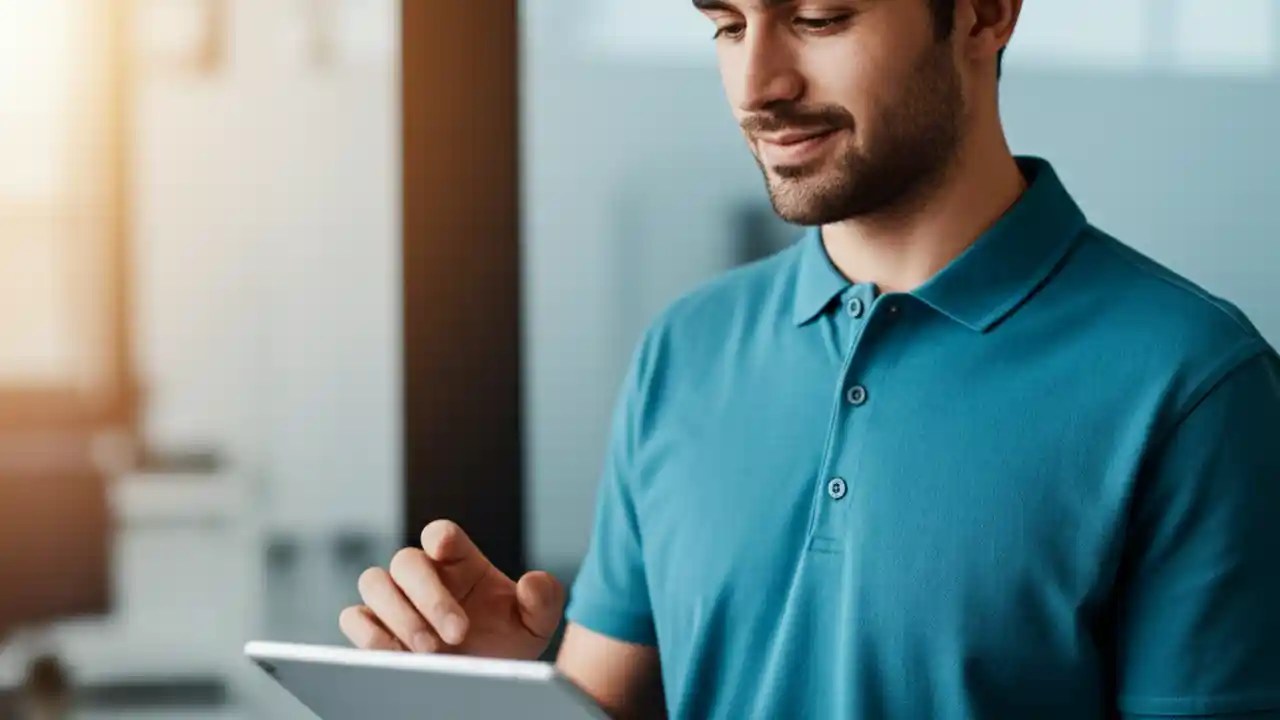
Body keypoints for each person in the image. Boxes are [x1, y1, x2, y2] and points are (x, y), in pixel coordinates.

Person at [341, 0, 1280, 717]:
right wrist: (502, 685)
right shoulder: (686, 350)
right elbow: (611, 699)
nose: (758, 84)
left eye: (818, 18)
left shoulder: (1193, 383)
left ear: (987, 14)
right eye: (726, 23)